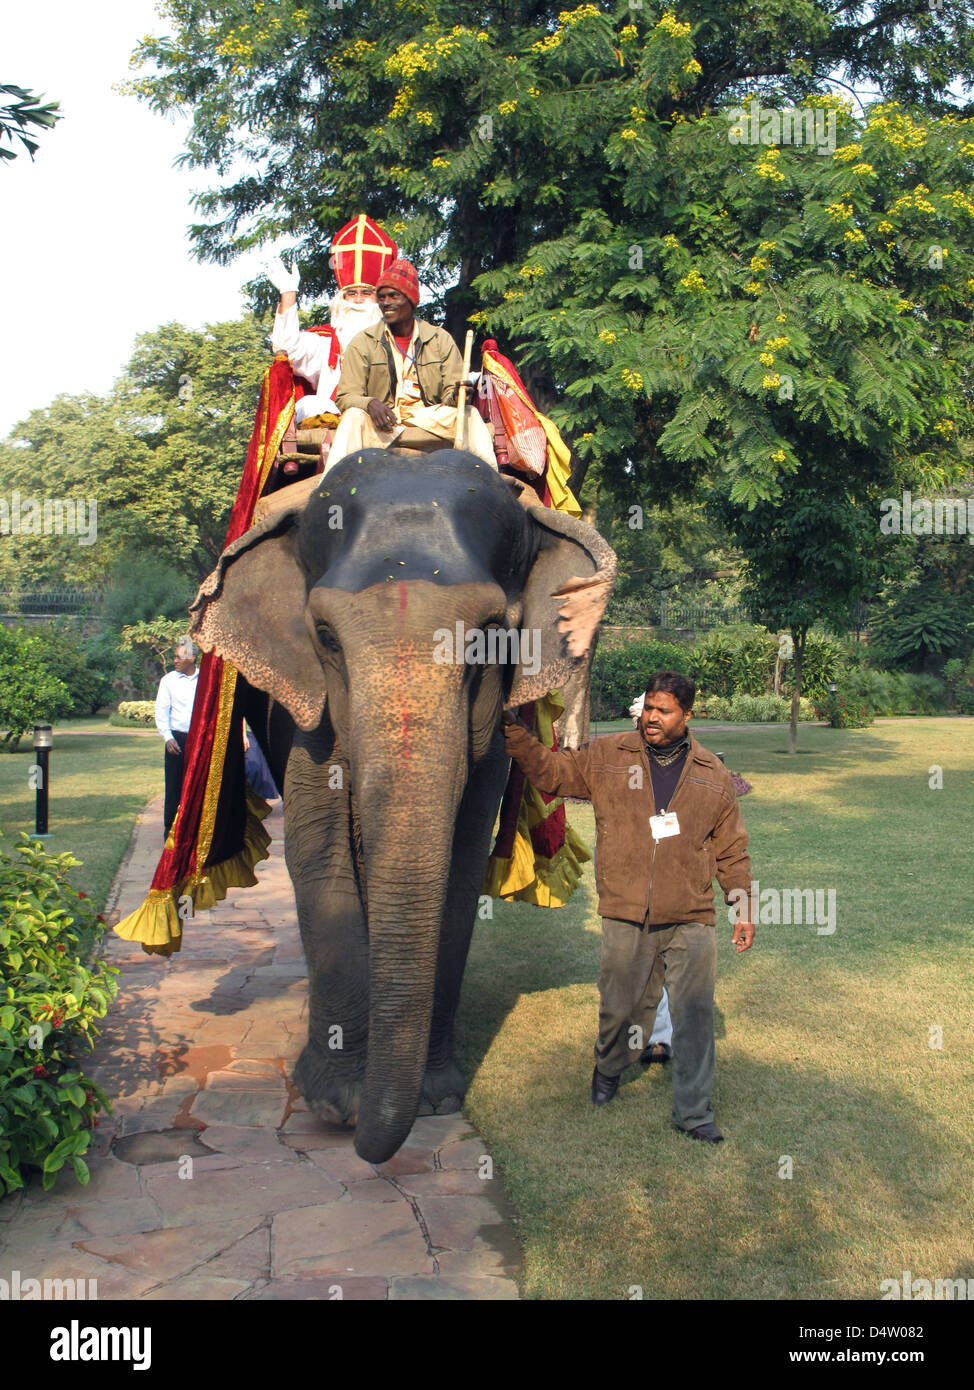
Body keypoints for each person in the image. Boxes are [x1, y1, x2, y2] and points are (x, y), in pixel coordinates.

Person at [503, 670, 755, 1143]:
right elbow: (554, 774)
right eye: (649, 709)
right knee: (620, 1009)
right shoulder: (609, 756)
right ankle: (608, 1067)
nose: (653, 718)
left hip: (691, 914)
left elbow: (732, 850)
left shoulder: (711, 774)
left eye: (665, 711)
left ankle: (694, 1114)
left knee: (695, 1016)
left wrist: (742, 907)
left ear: (687, 715)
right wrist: (516, 734)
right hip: (626, 909)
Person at [328, 257, 498, 468]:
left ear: (410, 299)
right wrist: (369, 404)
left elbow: (450, 397)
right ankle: (329, 487)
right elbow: (345, 397)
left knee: (470, 415)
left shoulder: (439, 339)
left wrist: (457, 394)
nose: (386, 303)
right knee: (353, 417)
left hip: (426, 417)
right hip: (384, 422)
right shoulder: (363, 342)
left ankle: (491, 481)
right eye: (381, 297)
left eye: (393, 296)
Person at [264, 214, 397, 425]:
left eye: (366, 293)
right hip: (335, 422)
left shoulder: (399, 340)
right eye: (351, 293)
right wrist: (288, 293)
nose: (358, 300)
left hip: (388, 418)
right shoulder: (327, 342)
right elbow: (286, 350)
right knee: (310, 404)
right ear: (341, 300)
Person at [154, 638, 200, 839]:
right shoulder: (169, 681)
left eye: (179, 657)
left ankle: (196, 831)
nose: (175, 660)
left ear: (192, 658)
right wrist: (167, 737)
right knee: (174, 786)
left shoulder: (205, 680)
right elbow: (161, 711)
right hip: (177, 740)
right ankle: (170, 833)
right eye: (173, 656)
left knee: (199, 785)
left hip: (200, 740)